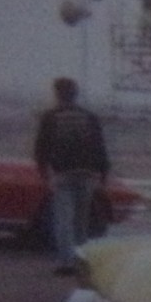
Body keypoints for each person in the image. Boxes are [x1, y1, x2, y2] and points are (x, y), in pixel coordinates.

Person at [33, 77, 109, 275]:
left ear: (57, 94)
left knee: (63, 220)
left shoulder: (50, 117)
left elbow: (41, 147)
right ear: (76, 94)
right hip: (87, 173)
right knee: (81, 222)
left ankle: (66, 262)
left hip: (63, 173)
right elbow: (99, 147)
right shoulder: (89, 117)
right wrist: (103, 174)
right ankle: (81, 261)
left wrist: (44, 172)